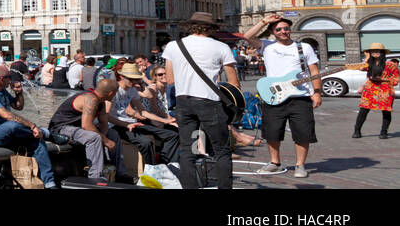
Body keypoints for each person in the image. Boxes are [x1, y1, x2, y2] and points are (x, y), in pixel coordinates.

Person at [164, 11, 240, 189]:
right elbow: (234, 83)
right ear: (212, 28)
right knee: (221, 150)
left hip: (183, 103)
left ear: (190, 26)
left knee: (187, 148)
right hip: (209, 103)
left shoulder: (173, 45)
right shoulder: (221, 47)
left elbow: (169, 80)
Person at [242, 12, 319, 179]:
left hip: (300, 96)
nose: (283, 31)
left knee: (303, 132)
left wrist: (317, 92)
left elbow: (314, 71)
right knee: (272, 132)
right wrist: (264, 21)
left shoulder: (304, 48)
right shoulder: (266, 46)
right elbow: (247, 35)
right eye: (279, 29)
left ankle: (300, 165)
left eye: (286, 28)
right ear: (273, 32)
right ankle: (274, 162)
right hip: (274, 95)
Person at [0, 65, 57, 188]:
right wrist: (33, 126)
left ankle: (49, 182)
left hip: (7, 133)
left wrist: (19, 93)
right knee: (13, 125)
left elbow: (18, 106)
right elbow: (7, 116)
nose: (12, 80)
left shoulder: (2, 91)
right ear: (2, 79)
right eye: (10, 77)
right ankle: (45, 132)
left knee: (37, 140)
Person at [48, 79, 133, 183]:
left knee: (113, 134)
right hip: (61, 128)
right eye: (115, 93)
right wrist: (105, 141)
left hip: (77, 128)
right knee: (94, 137)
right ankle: (96, 177)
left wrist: (106, 137)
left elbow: (103, 122)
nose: (115, 96)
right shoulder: (91, 99)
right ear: (110, 93)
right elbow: (87, 125)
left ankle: (121, 174)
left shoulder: (101, 102)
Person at [109, 63, 179, 165]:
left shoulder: (132, 89)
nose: (134, 82)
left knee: (172, 135)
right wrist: (127, 125)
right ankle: (150, 169)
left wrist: (166, 120)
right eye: (131, 79)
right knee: (145, 142)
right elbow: (106, 116)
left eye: (136, 79)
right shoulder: (114, 89)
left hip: (131, 123)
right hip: (116, 125)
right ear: (121, 77)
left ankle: (167, 165)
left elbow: (143, 111)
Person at [349, 43, 399, 139]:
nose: (375, 52)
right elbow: (361, 68)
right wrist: (366, 57)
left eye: (377, 51)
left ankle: (383, 132)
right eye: (372, 51)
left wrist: (383, 80)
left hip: (385, 90)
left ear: (382, 52)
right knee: (363, 110)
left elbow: (396, 80)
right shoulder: (369, 64)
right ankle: (357, 131)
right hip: (370, 89)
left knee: (386, 111)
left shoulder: (390, 65)